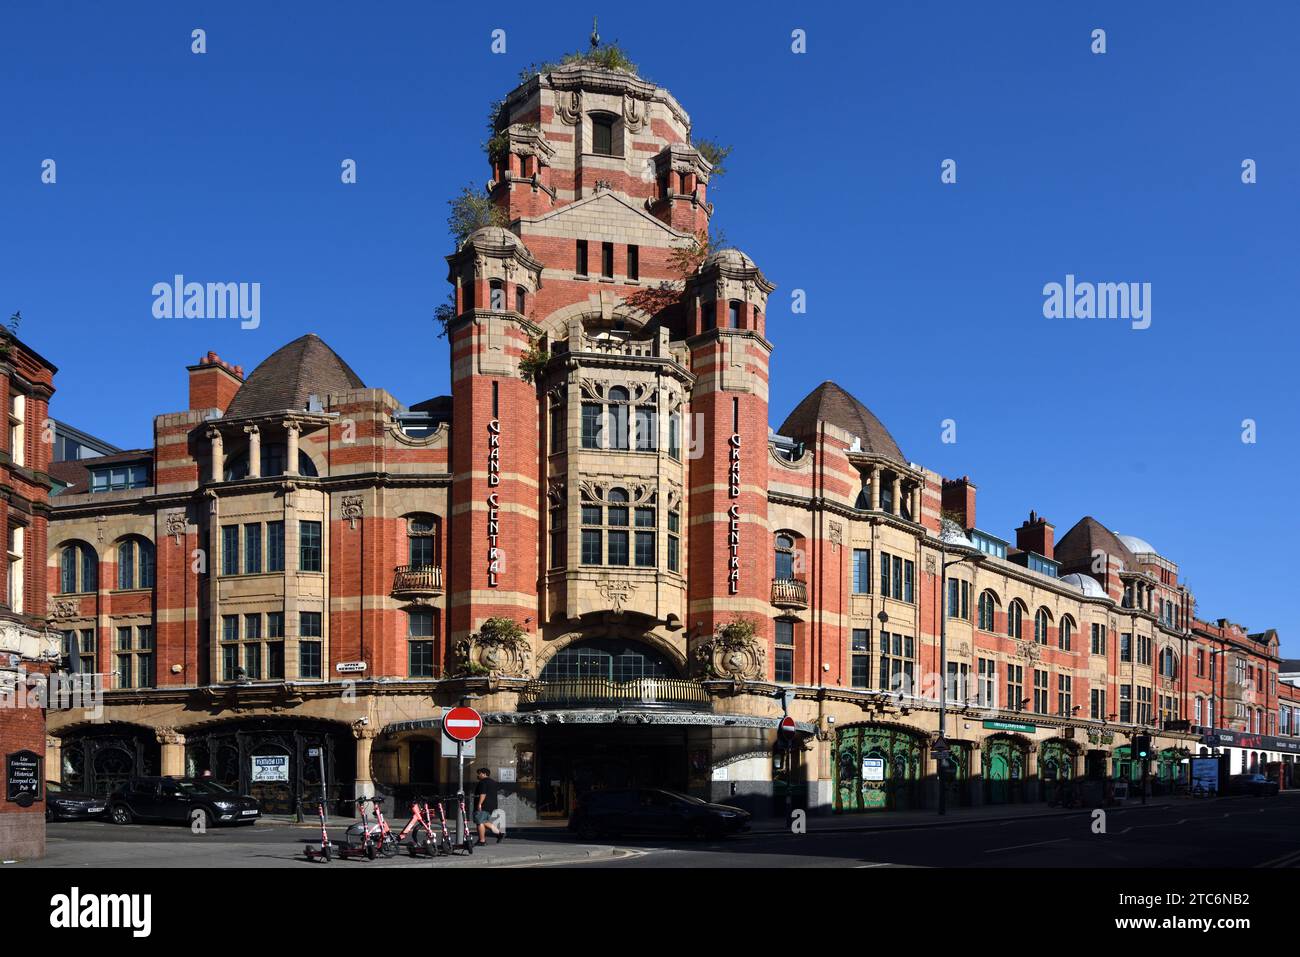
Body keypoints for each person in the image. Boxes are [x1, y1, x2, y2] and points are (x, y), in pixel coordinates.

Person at [473, 768, 504, 845]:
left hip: (483, 805)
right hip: (492, 806)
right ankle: (499, 833)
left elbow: (483, 794)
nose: (478, 775)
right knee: (484, 822)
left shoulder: (482, 782)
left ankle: (482, 841)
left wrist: (479, 804)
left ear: (484, 774)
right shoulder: (493, 782)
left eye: (479, 773)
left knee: (479, 822)